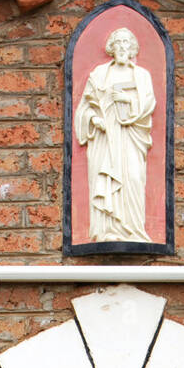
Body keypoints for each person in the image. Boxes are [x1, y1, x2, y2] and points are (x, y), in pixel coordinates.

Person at [74, 26, 155, 243]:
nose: (122, 47)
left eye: (126, 43)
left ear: (132, 49)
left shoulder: (142, 76)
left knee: (134, 177)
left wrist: (128, 101)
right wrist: (94, 120)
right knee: (105, 181)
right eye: (118, 42)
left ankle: (133, 230)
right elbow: (85, 107)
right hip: (104, 139)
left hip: (131, 137)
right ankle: (105, 230)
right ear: (112, 47)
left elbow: (148, 105)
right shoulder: (100, 74)